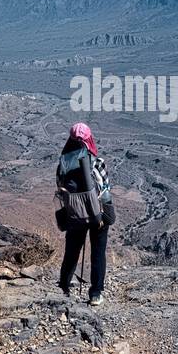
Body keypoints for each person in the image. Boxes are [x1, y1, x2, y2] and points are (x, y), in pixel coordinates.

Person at [54, 121, 114, 305]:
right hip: (97, 215)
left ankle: (64, 288)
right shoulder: (97, 162)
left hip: (75, 215)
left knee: (71, 251)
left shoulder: (63, 164)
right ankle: (95, 293)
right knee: (98, 252)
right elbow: (105, 189)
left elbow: (60, 188)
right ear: (89, 139)